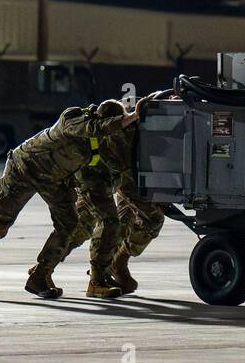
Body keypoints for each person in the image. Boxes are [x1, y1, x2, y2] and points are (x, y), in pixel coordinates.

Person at [0, 97, 151, 299]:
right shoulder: (74, 119)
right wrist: (133, 116)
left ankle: (40, 276)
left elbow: (79, 163)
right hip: (23, 169)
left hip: (53, 180)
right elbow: (96, 129)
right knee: (0, 223)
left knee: (69, 223)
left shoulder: (98, 141)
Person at [57, 111, 166, 297]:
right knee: (90, 223)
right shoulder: (112, 127)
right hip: (100, 175)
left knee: (128, 221)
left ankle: (116, 263)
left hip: (125, 171)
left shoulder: (136, 126)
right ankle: (46, 267)